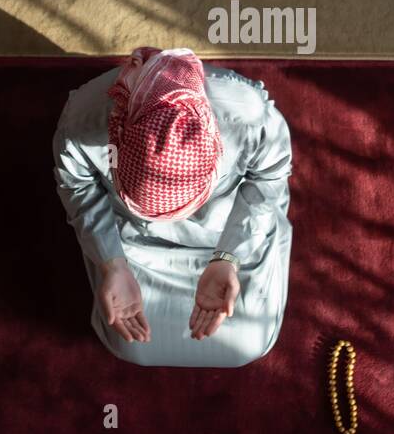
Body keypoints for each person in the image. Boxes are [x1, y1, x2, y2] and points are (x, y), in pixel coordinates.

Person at [53, 48, 293, 368]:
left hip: (224, 226)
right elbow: (79, 187)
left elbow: (269, 180)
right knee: (132, 346)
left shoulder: (247, 114)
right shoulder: (83, 120)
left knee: (246, 343)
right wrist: (112, 263)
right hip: (134, 234)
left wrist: (229, 257)